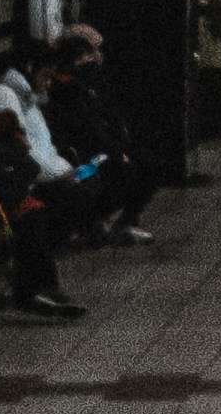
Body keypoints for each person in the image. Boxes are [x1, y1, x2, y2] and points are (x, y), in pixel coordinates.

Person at [0, 41, 95, 320]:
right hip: (2, 184)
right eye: (46, 75)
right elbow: (15, 150)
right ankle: (36, 289)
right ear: (30, 67)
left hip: (14, 180)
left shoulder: (24, 96)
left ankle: (39, 287)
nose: (48, 83)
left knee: (60, 201)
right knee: (37, 211)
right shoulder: (3, 94)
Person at [39, 24, 149, 252]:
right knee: (118, 168)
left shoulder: (87, 86)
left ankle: (112, 221)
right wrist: (118, 152)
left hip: (93, 155)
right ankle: (96, 221)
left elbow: (106, 120)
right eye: (86, 56)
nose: (94, 60)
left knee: (141, 162)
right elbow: (90, 131)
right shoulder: (66, 90)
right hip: (83, 164)